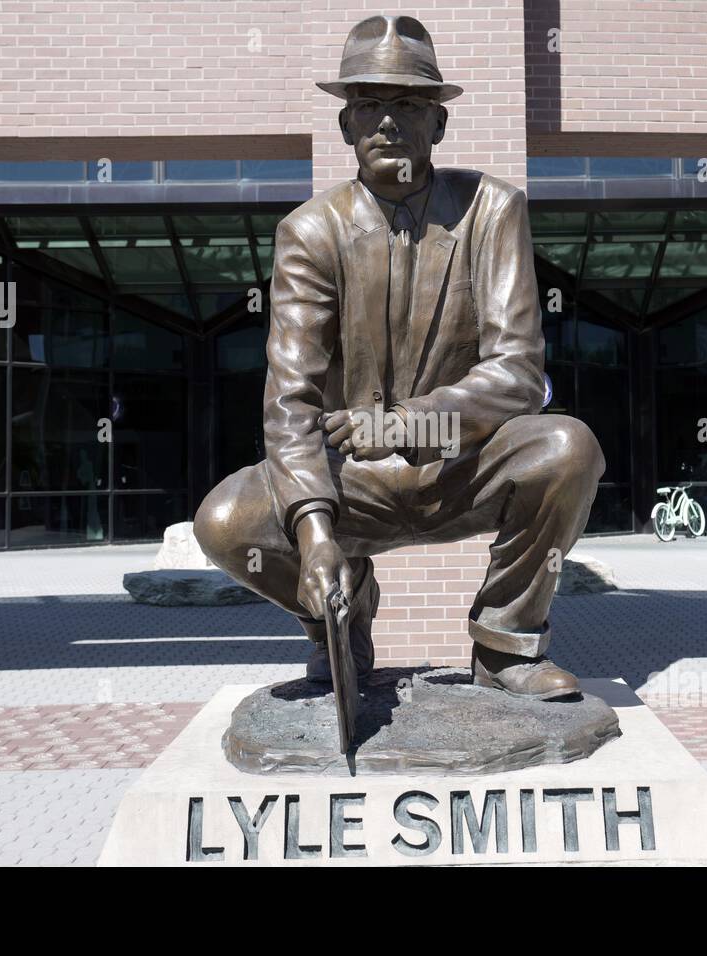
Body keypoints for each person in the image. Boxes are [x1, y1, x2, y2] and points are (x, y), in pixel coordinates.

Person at [193, 16, 604, 700]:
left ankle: (506, 648)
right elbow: (290, 400)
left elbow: (518, 373)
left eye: (408, 105)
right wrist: (316, 532)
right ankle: (337, 622)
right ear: (346, 125)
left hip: (459, 462)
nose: (388, 121)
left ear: (438, 124)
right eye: (370, 106)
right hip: (350, 482)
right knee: (227, 521)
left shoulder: (492, 210)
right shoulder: (310, 232)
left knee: (567, 448)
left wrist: (409, 424)